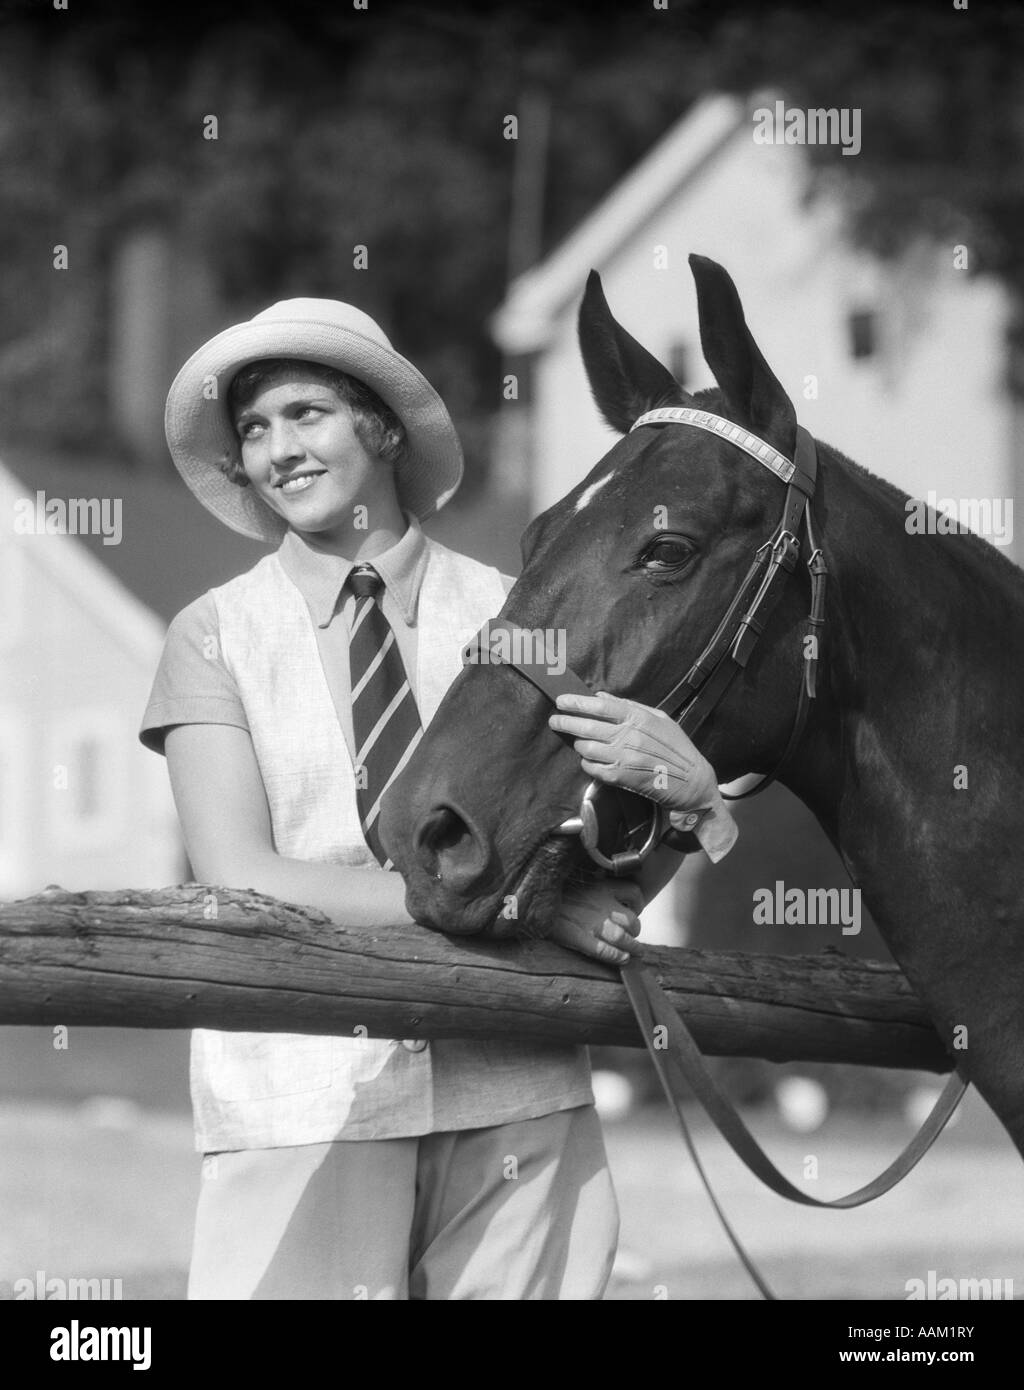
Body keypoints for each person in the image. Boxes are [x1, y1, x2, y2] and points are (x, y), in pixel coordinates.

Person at [139, 296, 736, 1301]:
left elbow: (606, 870)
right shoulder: (214, 635)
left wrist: (680, 799)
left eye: (305, 413)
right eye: (253, 427)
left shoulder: (525, 610)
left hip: (515, 1086)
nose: (277, 447)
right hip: (304, 1103)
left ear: (378, 426)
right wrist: (521, 905)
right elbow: (239, 874)